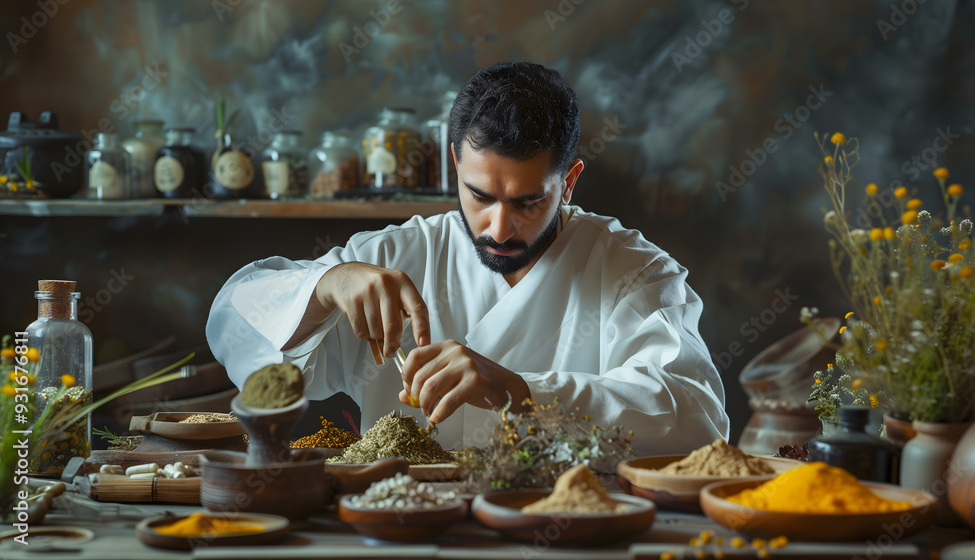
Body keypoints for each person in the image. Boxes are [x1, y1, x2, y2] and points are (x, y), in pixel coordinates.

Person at [206, 61, 728, 455]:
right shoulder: (394, 255)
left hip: (558, 528)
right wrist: (323, 286)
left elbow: (696, 416)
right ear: (455, 163)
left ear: (568, 182)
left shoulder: (633, 272)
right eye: (480, 196)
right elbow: (234, 325)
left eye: (527, 202)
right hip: (395, 526)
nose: (499, 228)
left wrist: (522, 392)